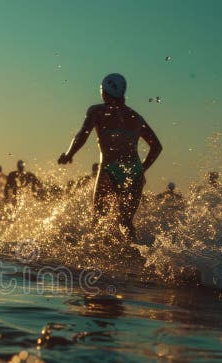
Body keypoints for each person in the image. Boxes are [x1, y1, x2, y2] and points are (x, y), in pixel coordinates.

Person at [58, 73, 162, 241]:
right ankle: (138, 258)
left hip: (110, 168)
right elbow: (157, 147)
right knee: (125, 223)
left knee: (99, 219)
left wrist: (69, 154)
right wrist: (141, 170)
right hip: (133, 170)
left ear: (104, 92)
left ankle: (99, 259)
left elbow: (82, 134)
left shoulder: (97, 111)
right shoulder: (136, 117)